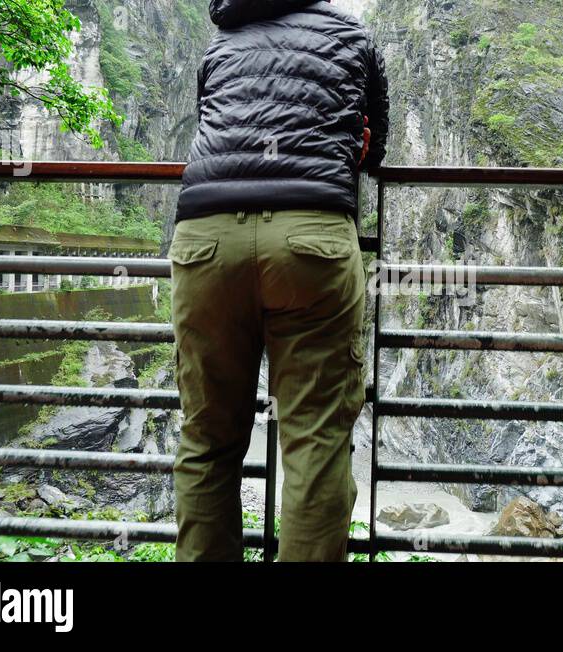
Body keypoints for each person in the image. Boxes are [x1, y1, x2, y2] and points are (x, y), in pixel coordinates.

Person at [170, 0, 389, 562]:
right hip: (309, 240)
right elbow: (374, 145)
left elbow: (213, 126)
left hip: (206, 240)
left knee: (207, 440)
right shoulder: (350, 36)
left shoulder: (222, 41)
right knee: (315, 439)